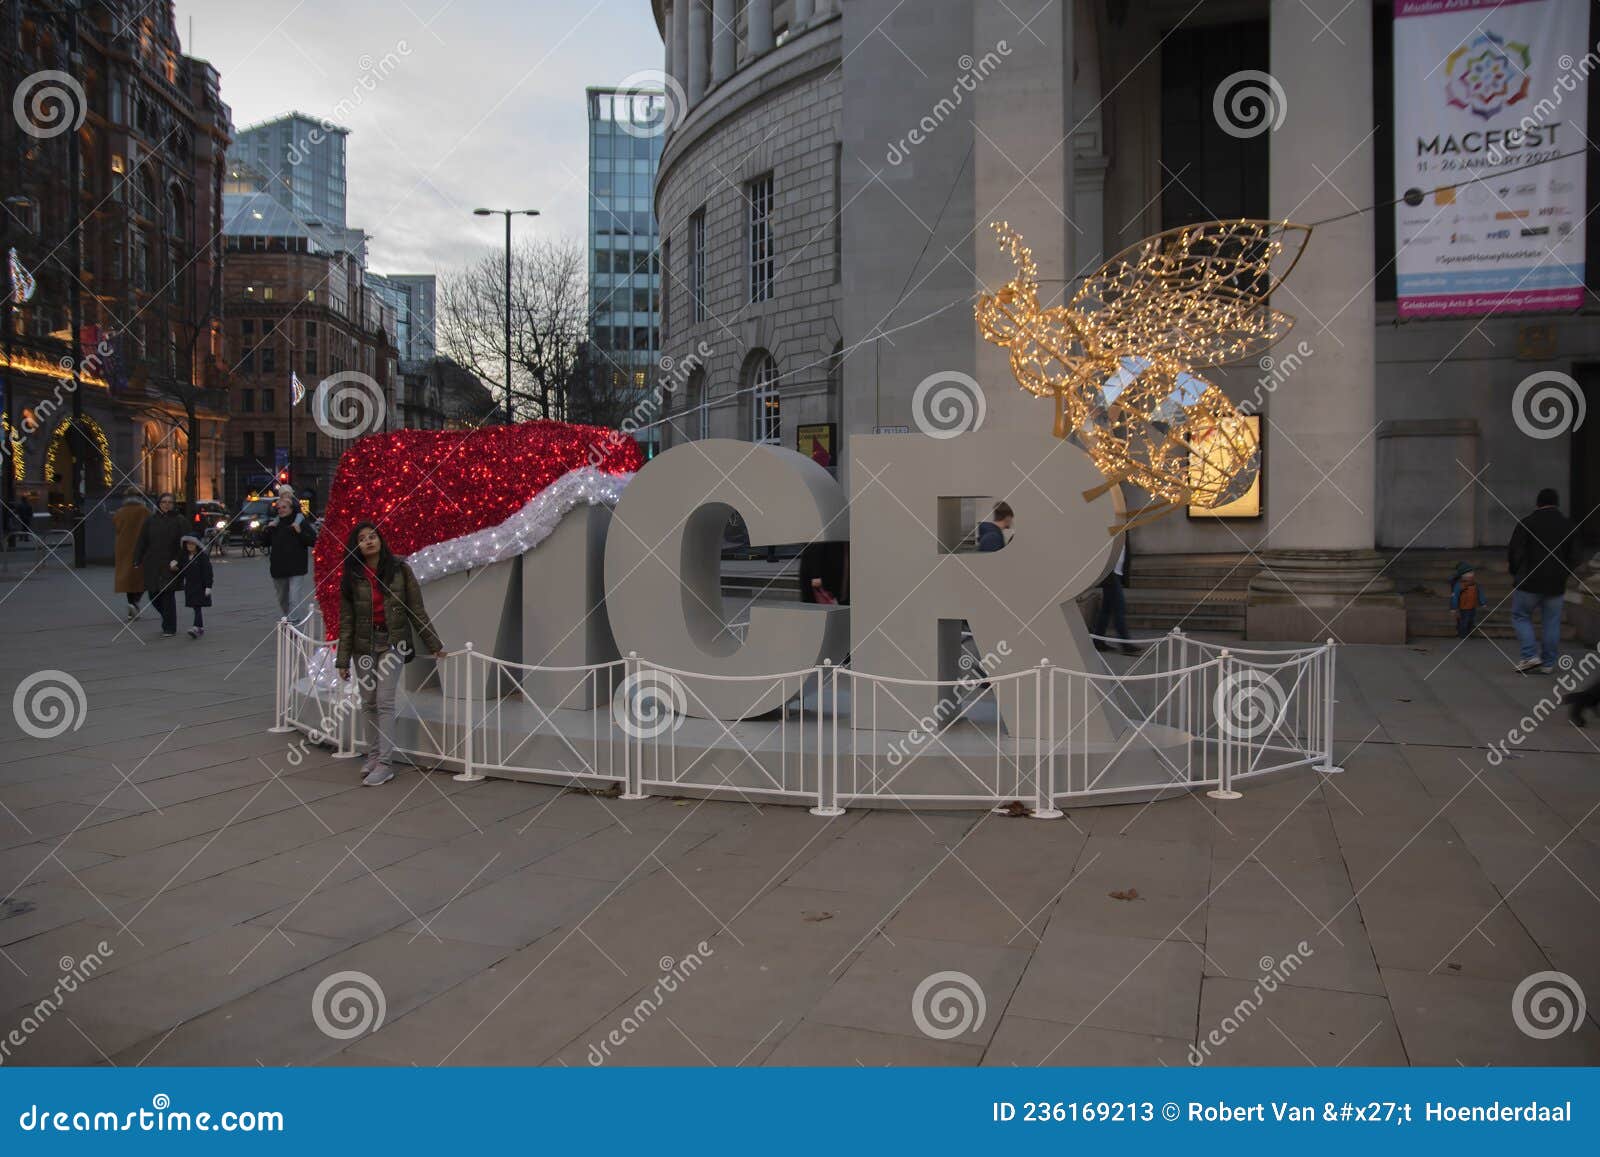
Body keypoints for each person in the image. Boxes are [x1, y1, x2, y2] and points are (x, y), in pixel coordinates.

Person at [335, 521, 445, 786]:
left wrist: (434, 643)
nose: (369, 541)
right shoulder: (352, 576)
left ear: (380, 540)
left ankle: (385, 763)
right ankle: (373, 756)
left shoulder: (399, 569)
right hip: (364, 645)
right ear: (357, 546)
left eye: (373, 536)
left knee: (384, 700)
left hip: (393, 642)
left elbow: (416, 609)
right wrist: (342, 659)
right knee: (368, 701)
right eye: (362, 538)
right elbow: (346, 620)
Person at [1508, 488, 1574, 674]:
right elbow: (1575, 555)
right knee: (1551, 622)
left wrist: (1515, 572)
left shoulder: (1527, 523)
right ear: (1557, 503)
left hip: (1529, 581)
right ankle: (1548, 663)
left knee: (1520, 616)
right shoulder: (1568, 525)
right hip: (1556, 583)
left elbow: (1515, 552)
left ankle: (1529, 655)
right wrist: (1564, 572)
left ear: (1538, 503)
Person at [133, 492, 185, 636]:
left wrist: (179, 560)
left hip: (170, 563)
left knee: (167, 595)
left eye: (170, 502)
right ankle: (168, 618)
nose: (166, 505)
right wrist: (137, 558)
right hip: (152, 563)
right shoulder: (150, 520)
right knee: (153, 595)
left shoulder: (180, 520)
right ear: (159, 504)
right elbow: (142, 541)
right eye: (164, 502)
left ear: (174, 504)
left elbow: (185, 542)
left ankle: (169, 627)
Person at [265, 491, 316, 620]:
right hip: (278, 568)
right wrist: (266, 530)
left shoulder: (300, 523)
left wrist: (299, 533)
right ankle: (289, 618)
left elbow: (313, 541)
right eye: (279, 508)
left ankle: (294, 624)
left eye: (284, 507)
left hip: (296, 567)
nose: (281, 510)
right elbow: (264, 543)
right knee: (282, 599)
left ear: (291, 508)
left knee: (294, 598)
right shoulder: (275, 525)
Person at [1094, 538, 1136, 655]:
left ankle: (1098, 640)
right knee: (1119, 607)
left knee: (1106, 609)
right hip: (1110, 573)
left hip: (1116, 573)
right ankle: (1126, 644)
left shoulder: (1124, 527)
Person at [112, 489, 149, 619]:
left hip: (123, 548)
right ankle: (135, 603)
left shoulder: (120, 512)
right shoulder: (144, 510)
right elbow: (149, 526)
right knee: (142, 578)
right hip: (140, 547)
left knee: (128, 579)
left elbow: (116, 527)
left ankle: (131, 605)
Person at [177, 534, 214, 638]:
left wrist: (208, 586)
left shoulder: (202, 557)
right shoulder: (185, 557)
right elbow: (181, 570)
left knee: (197, 606)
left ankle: (196, 627)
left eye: (192, 544)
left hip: (200, 585)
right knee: (195, 606)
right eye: (188, 544)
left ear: (196, 545)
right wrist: (174, 566)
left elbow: (208, 572)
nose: (190, 546)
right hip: (189, 585)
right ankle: (200, 627)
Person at [1449, 562, 1482, 639]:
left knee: (1470, 620)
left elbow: (1479, 593)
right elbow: (1455, 596)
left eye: (1472, 572)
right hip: (1463, 606)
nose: (1471, 574)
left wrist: (1482, 602)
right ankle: (1463, 634)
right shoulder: (1459, 585)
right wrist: (1453, 607)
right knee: (1464, 620)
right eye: (1469, 573)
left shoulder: (1474, 583)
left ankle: (1466, 632)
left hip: (1471, 606)